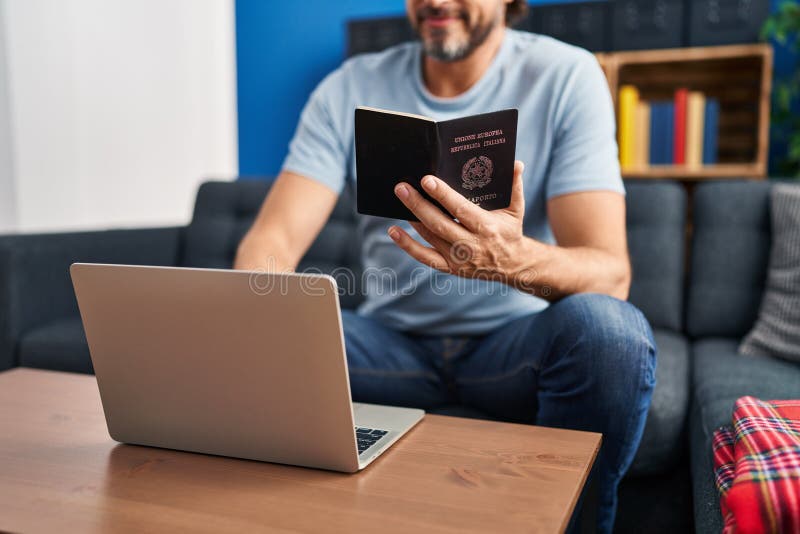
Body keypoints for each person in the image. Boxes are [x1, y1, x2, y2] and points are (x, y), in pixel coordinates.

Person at [234, 0, 656, 531]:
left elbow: (609, 273)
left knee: (612, 334)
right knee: (253, 322)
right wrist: (256, 312)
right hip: (388, 346)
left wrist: (510, 260)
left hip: (514, 347)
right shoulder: (346, 87)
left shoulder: (566, 76)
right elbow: (273, 238)